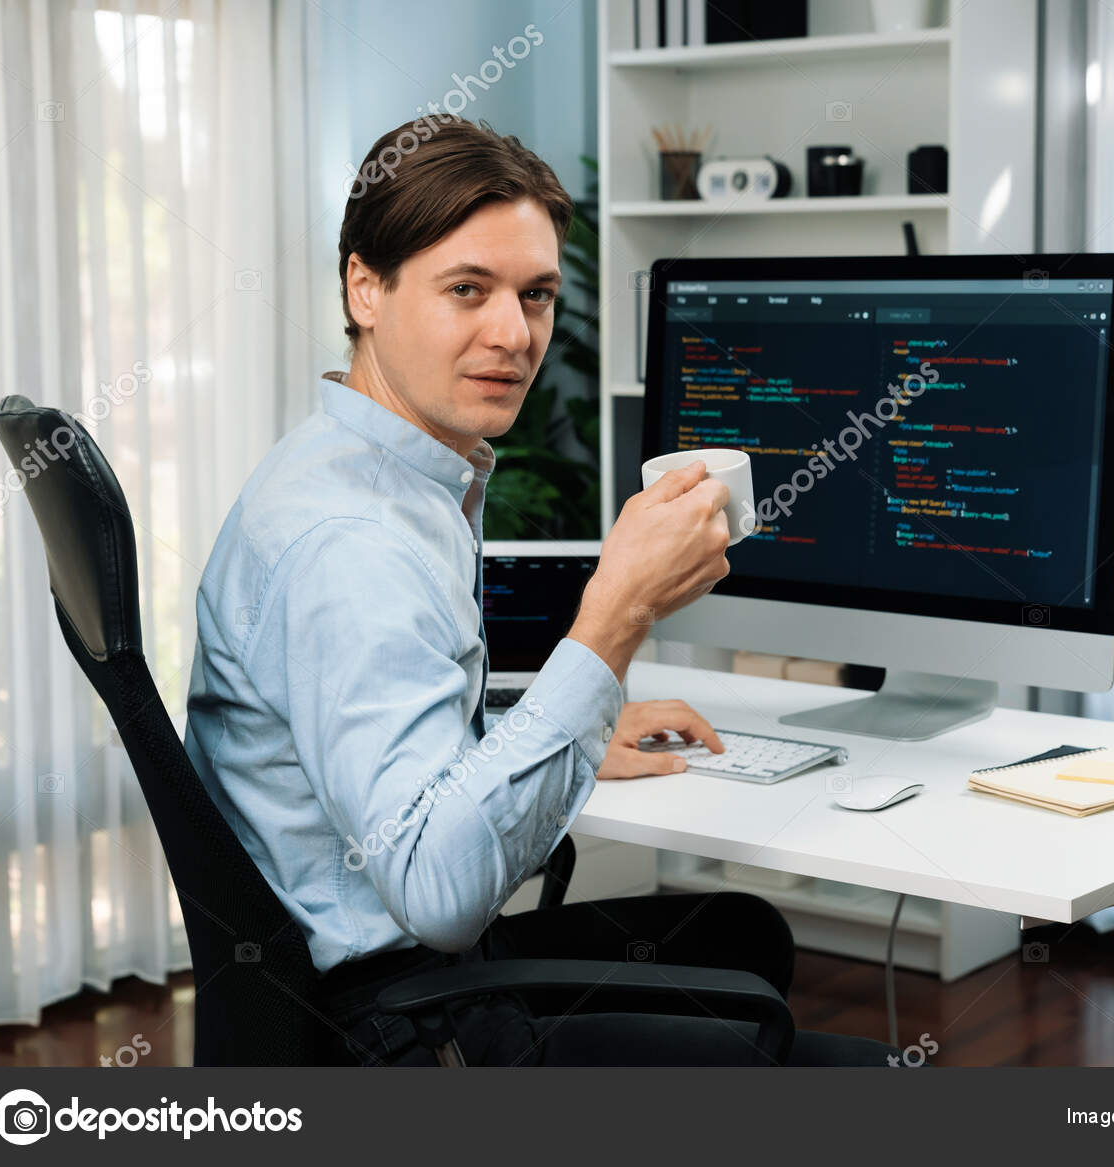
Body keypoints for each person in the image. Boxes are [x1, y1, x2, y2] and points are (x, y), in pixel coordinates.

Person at [182, 115, 896, 1067]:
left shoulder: (365, 471)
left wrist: (567, 727)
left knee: (743, 935)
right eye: (467, 290)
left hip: (361, 984)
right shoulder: (350, 545)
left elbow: (395, 743)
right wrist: (615, 618)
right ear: (365, 287)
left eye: (538, 295)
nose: (514, 335)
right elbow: (437, 892)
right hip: (398, 1032)